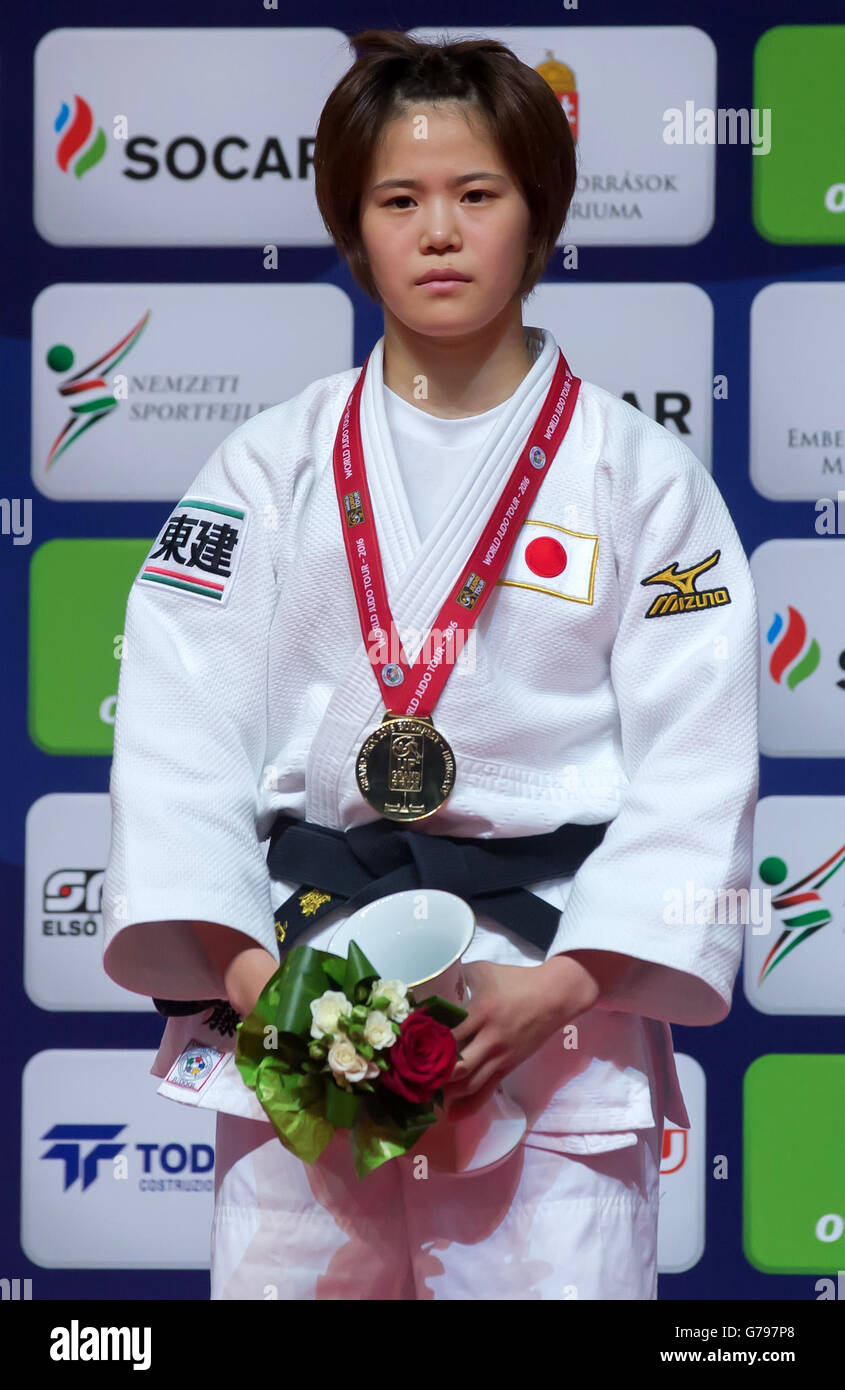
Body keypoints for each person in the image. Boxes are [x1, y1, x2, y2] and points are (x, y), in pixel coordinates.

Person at [101, 29, 760, 1300]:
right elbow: (178, 739)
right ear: (353, 230)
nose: (438, 231)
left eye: (477, 194)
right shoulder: (264, 470)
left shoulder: (641, 481)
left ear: (541, 214)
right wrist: (266, 991)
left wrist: (561, 987)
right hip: (301, 1009)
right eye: (399, 200)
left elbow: (695, 769)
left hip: (553, 1025)